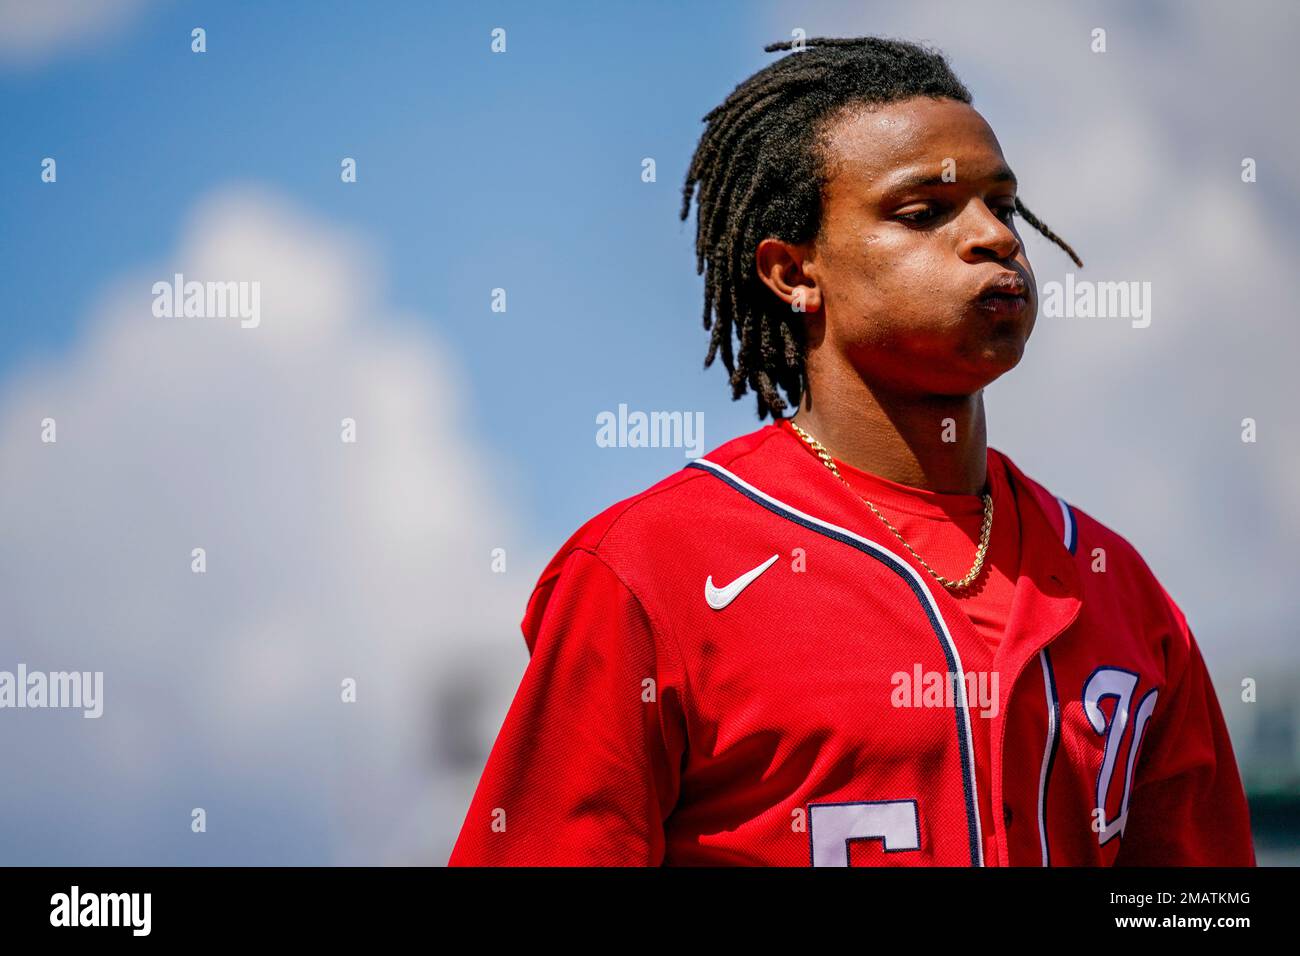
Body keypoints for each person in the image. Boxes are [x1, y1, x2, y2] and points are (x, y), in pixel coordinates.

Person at [448, 36, 1254, 866]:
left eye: (1001, 206)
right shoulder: (648, 572)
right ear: (793, 270)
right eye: (925, 212)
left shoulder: (1119, 588)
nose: (992, 237)